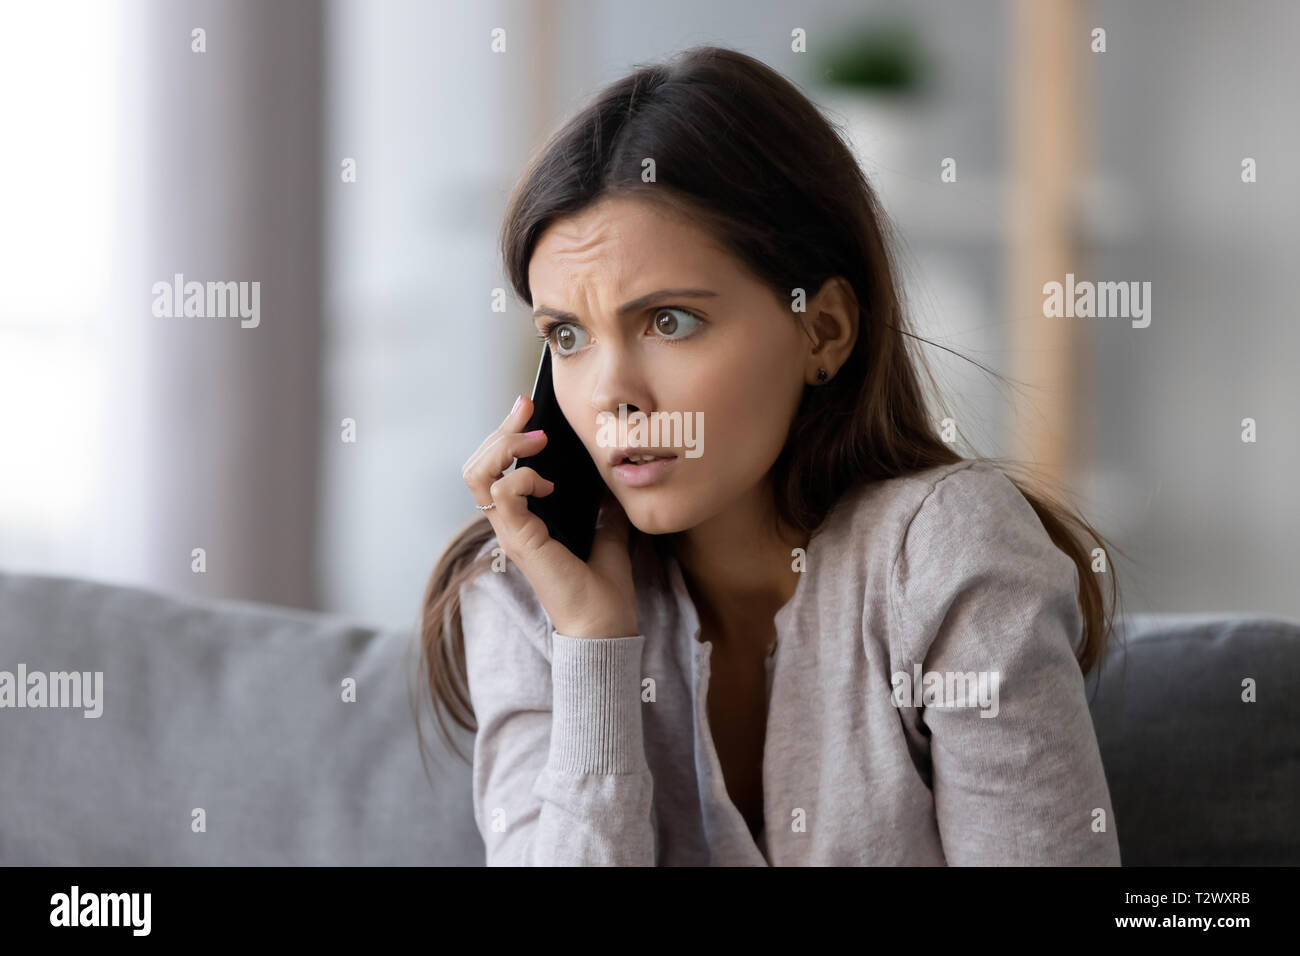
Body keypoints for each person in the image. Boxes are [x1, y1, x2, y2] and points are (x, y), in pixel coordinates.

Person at [418, 45, 1123, 866]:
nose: (613, 395)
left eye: (670, 321)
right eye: (566, 336)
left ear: (822, 329)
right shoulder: (523, 589)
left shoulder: (941, 556)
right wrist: (592, 645)